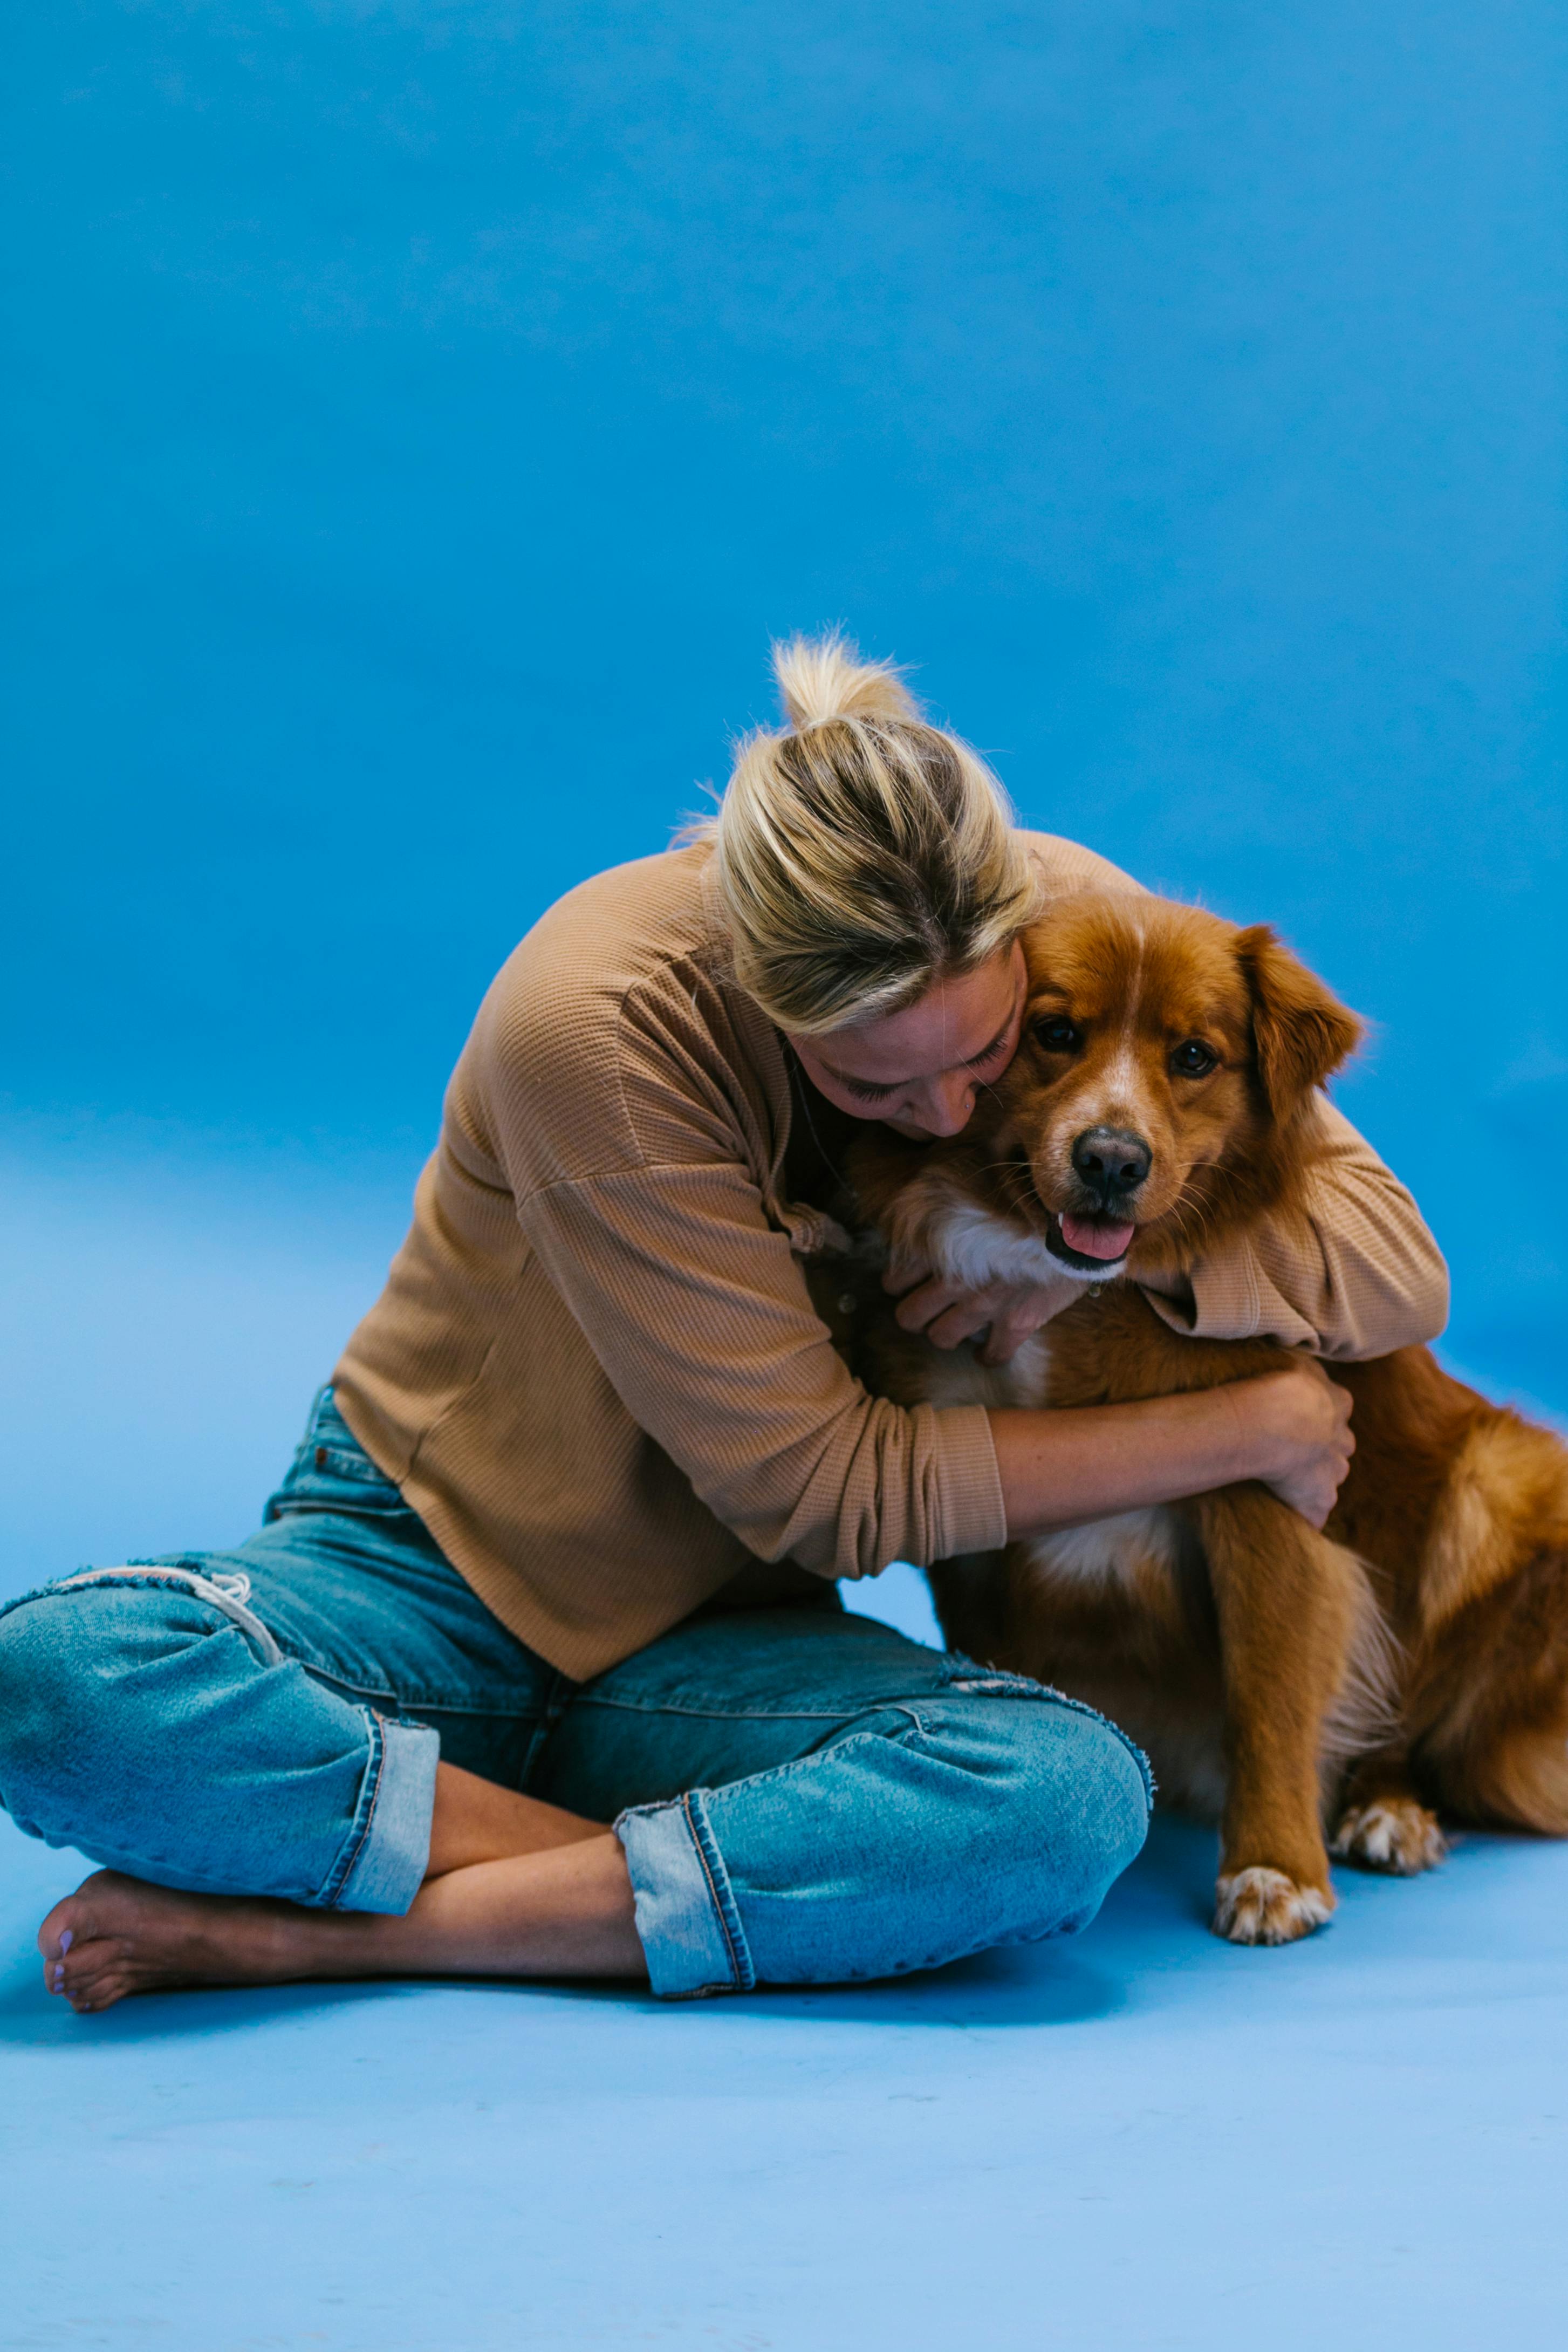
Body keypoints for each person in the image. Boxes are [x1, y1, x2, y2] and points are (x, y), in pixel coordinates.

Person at [2, 637, 1446, 2014]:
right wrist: (1244, 1424)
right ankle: (618, 1886)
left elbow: (1392, 1264)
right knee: (62, 1686)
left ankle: (336, 1917)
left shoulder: (1056, 915)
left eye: (990, 1054)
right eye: (879, 1091)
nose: (953, 1119)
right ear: (757, 989)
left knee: (1060, 1801)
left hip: (716, 1648)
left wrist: (1055, 1265)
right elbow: (822, 1491)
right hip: (427, 1590)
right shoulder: (597, 1023)